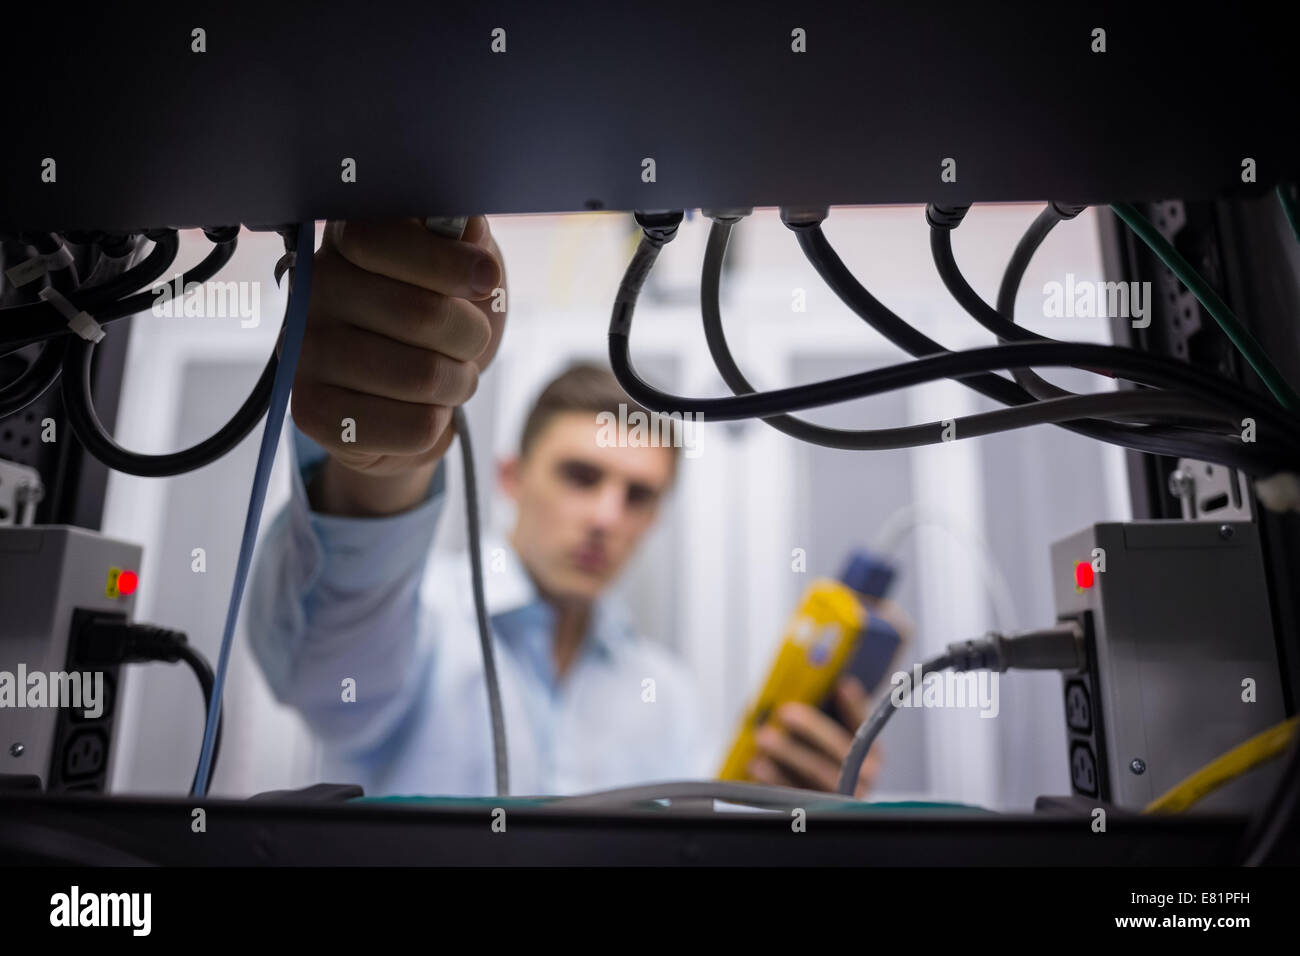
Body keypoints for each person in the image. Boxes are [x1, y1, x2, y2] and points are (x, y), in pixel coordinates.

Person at [246, 216, 880, 797]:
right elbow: (329, 671)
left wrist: (799, 808)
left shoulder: (666, 697)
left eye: (638, 496)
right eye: (581, 476)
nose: (608, 517)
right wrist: (383, 460)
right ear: (512, 478)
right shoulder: (421, 622)